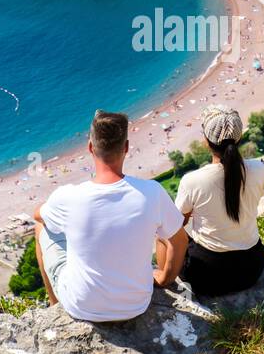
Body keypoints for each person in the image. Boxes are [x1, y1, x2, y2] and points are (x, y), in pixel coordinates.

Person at [33, 110, 189, 322]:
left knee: (41, 227)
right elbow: (179, 241)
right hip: (136, 304)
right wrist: (164, 278)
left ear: (90, 147)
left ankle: (55, 305)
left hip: (82, 306)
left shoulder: (69, 196)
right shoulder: (152, 192)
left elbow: (38, 215)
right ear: (125, 148)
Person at [174, 105, 264, 296]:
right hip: (251, 269)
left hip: (208, 275)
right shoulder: (258, 169)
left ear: (206, 142)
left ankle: (162, 278)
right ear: (239, 138)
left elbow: (176, 224)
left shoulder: (193, 181)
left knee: (167, 231)